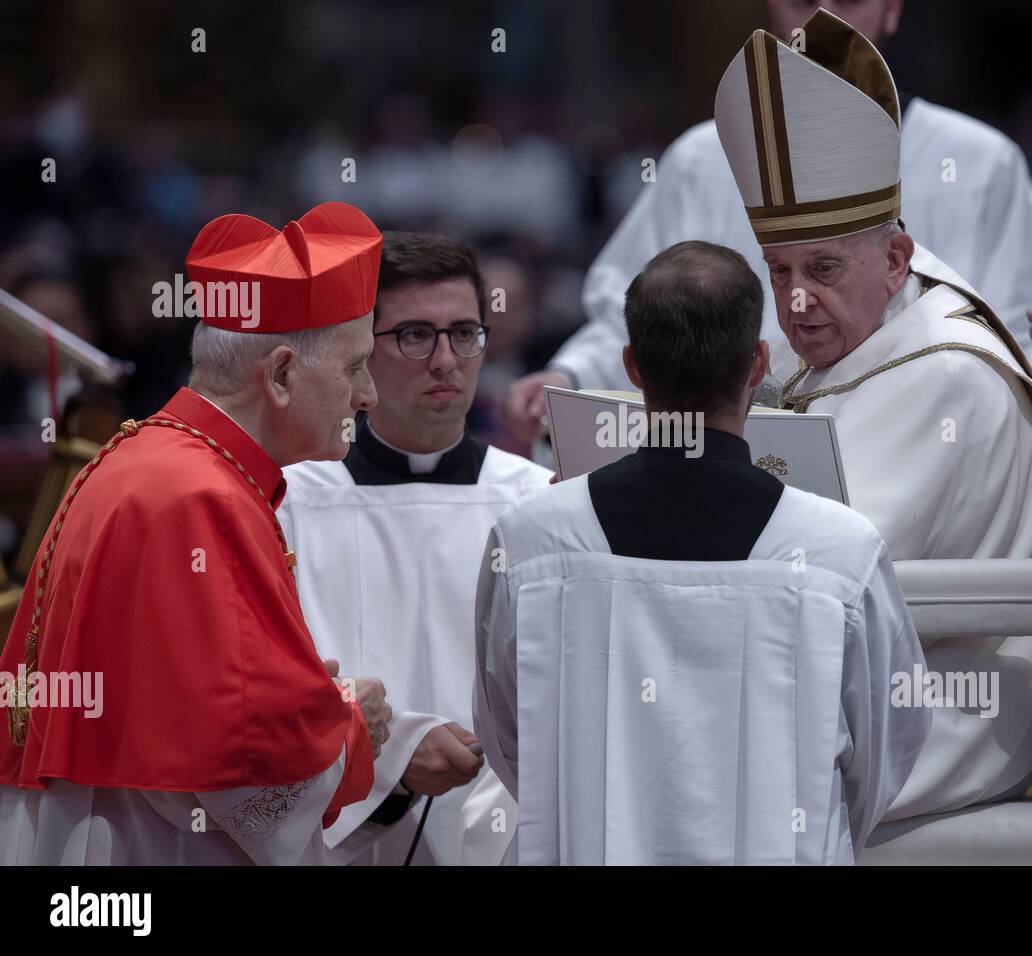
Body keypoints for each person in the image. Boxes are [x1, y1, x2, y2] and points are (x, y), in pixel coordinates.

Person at [473, 240, 929, 865]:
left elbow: (507, 733)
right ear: (757, 364)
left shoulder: (532, 539)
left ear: (632, 366)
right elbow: (884, 748)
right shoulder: (838, 551)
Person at [711, 9, 1032, 826]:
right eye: (779, 269)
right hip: (842, 675)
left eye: (823, 267)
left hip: (932, 714)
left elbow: (831, 574)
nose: (795, 303)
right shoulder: (851, 341)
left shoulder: (942, 375)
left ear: (897, 258)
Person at [0, 202, 391, 864]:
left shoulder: (153, 459)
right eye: (356, 366)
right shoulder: (198, 497)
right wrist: (350, 726)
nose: (369, 395)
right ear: (282, 374)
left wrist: (301, 695)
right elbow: (238, 752)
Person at [504, 0, 1032, 444]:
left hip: (920, 443)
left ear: (893, 8)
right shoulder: (703, 159)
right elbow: (642, 314)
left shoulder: (977, 161)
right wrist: (571, 378)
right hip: (728, 450)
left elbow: (1020, 340)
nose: (824, 18)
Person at [280, 233, 550, 865]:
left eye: (464, 333)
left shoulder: (538, 504)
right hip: (339, 831)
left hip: (503, 833)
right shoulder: (291, 500)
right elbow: (276, 691)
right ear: (360, 350)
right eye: (415, 335)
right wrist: (394, 761)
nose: (445, 360)